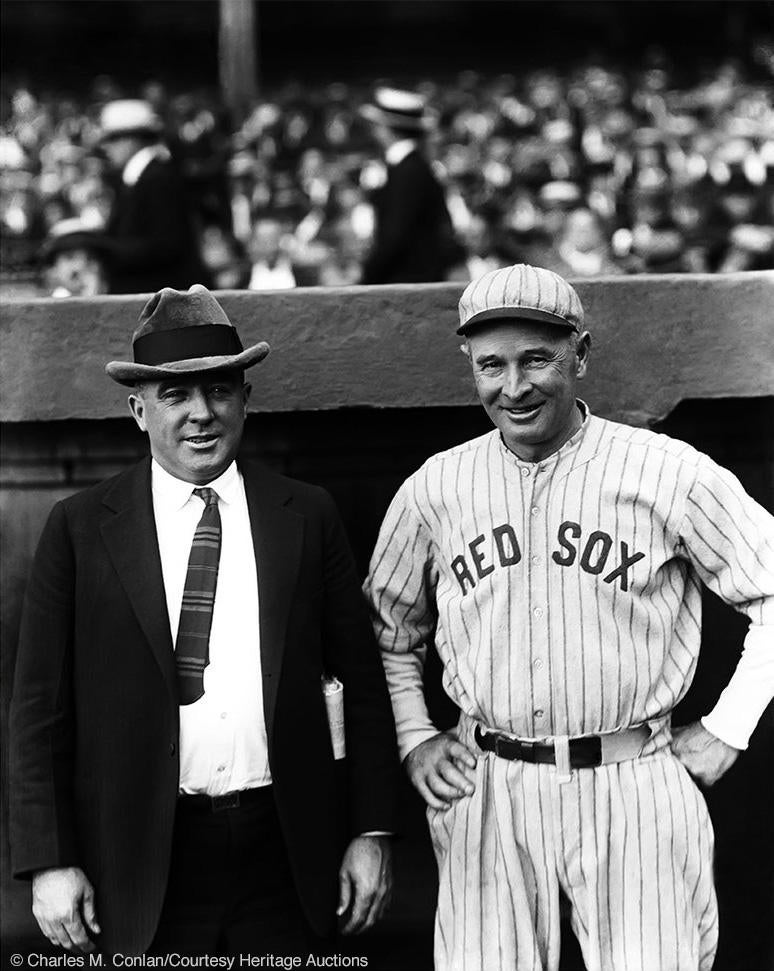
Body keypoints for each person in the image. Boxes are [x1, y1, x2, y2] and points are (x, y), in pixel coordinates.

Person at [364, 263, 774, 971]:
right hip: (488, 780)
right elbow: (389, 628)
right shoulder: (435, 488)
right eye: (492, 365)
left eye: (536, 359)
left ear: (579, 355)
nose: (514, 386)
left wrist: (727, 727)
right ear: (470, 364)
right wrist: (413, 735)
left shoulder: (666, 471)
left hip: (632, 775)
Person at [10, 285, 398, 957]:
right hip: (138, 863)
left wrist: (372, 831)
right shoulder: (79, 528)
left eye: (219, 390)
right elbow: (38, 711)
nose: (201, 414)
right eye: (176, 396)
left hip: (288, 855)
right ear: (138, 410)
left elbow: (362, 684)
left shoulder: (306, 515)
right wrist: (49, 860)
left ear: (246, 399)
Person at [98, 99, 210, 293]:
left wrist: (103, 249)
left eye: (112, 139)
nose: (105, 147)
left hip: (168, 298)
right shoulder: (141, 177)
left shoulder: (158, 178)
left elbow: (166, 246)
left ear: (132, 139)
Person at [360, 86, 462, 284]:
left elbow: (396, 236)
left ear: (385, 128)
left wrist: (367, 277)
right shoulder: (412, 167)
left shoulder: (408, 171)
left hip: (408, 283)